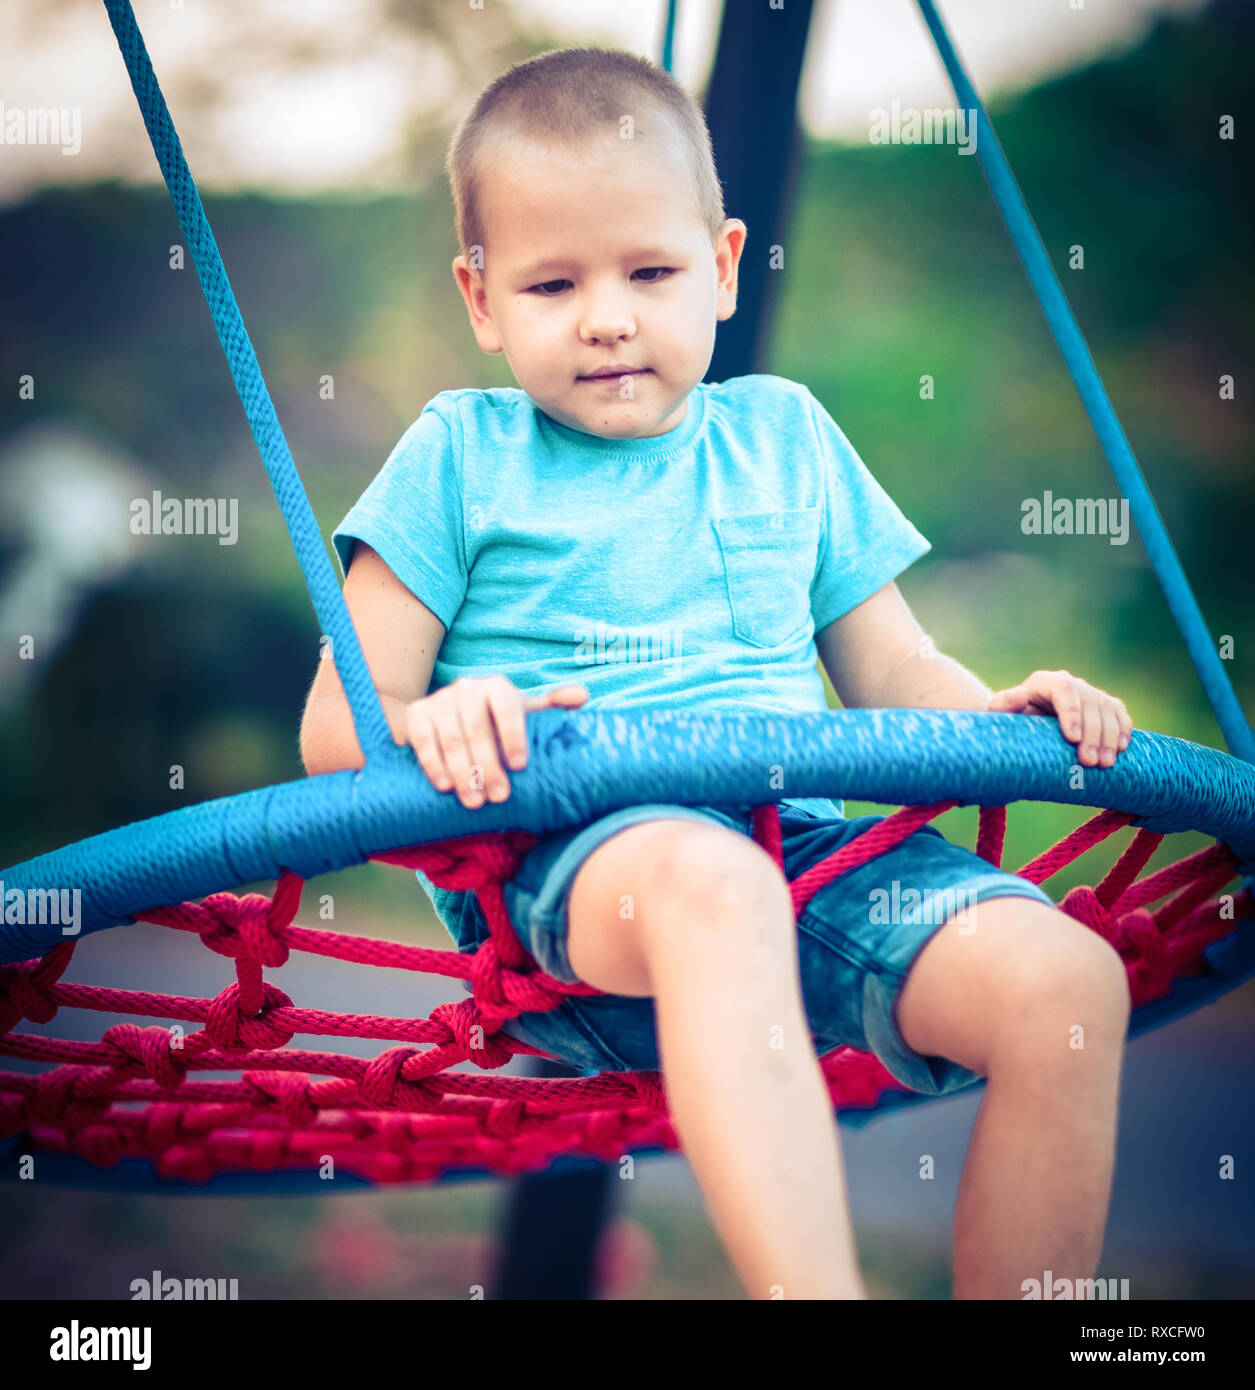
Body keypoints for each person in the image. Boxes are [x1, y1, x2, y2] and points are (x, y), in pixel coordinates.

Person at [299, 46, 1133, 1301]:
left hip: (813, 860)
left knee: (1067, 983)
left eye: (649, 270)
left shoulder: (783, 436)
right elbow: (334, 735)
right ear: (480, 300)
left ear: (726, 267)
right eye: (550, 282)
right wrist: (433, 721)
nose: (608, 315)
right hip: (576, 889)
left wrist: (992, 710)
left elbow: (893, 663)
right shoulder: (459, 456)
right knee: (712, 878)